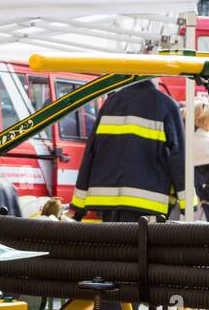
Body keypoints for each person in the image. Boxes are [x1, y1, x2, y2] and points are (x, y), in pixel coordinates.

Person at [71, 77, 185, 222]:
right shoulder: (166, 105)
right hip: (148, 202)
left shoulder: (110, 103)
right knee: (141, 244)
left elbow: (90, 151)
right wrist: (187, 204)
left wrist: (79, 208)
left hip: (108, 201)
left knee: (114, 244)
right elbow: (179, 156)